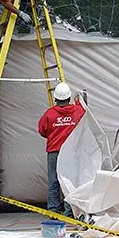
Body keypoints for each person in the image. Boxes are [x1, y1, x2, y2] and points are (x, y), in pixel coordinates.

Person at [38, 82, 85, 217]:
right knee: (69, 182)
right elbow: (85, 123)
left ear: (56, 98)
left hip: (54, 152)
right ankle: (69, 212)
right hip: (72, 152)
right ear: (69, 98)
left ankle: (53, 211)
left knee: (54, 181)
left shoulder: (49, 114)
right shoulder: (78, 111)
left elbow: (42, 131)